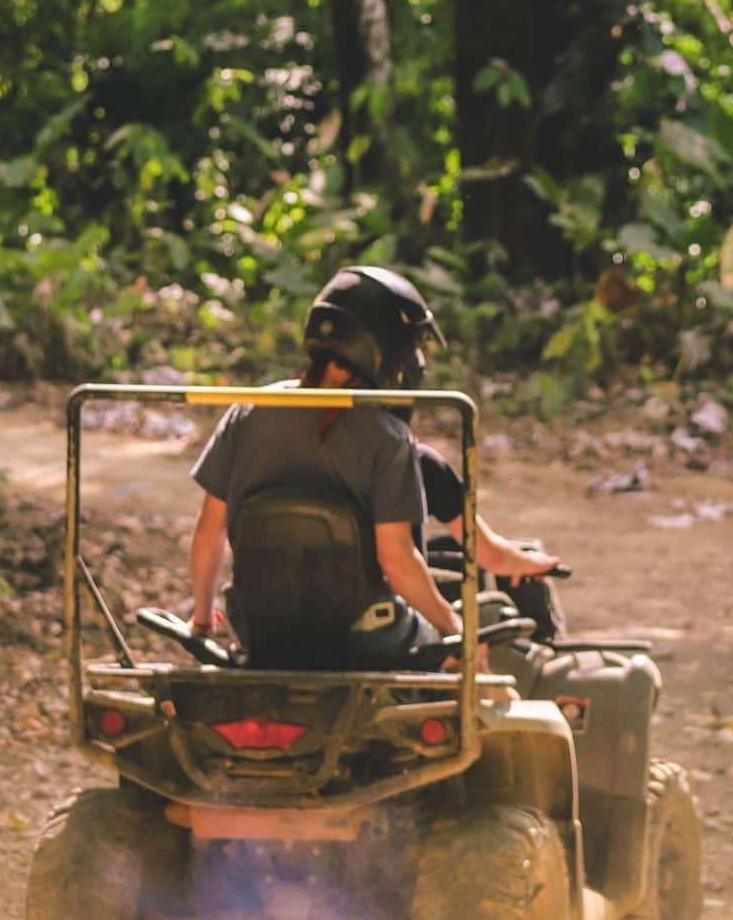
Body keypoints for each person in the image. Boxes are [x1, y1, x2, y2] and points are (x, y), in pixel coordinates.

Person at [186, 263, 558, 666]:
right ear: (390, 351)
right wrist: (456, 631)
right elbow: (396, 561)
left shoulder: (248, 411)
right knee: (464, 635)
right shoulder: (387, 439)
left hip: (261, 632)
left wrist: (203, 621)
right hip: (361, 637)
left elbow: (209, 530)